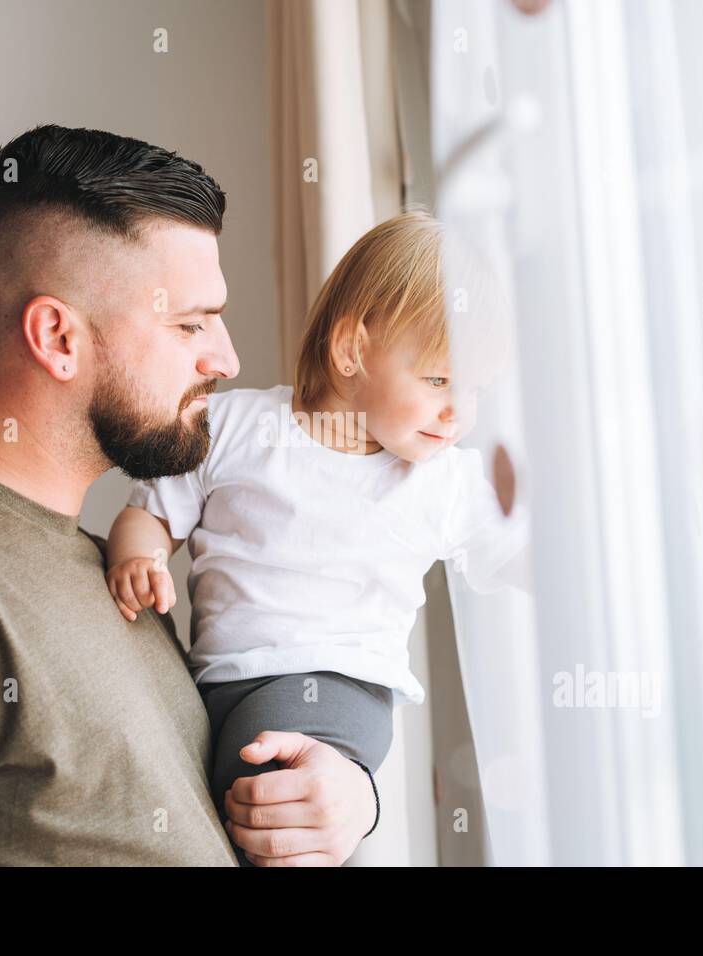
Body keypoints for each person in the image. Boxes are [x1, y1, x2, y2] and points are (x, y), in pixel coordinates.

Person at [0, 124, 380, 866]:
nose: (227, 358)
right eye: (190, 324)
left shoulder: (113, 572)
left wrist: (351, 795)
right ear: (57, 337)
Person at [104, 211, 528, 866]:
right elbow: (152, 513)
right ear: (351, 350)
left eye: (474, 390)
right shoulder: (235, 426)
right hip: (220, 688)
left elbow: (522, 558)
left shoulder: (444, 481)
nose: (458, 414)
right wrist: (140, 555)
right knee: (235, 808)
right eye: (440, 381)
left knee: (277, 799)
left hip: (340, 687)